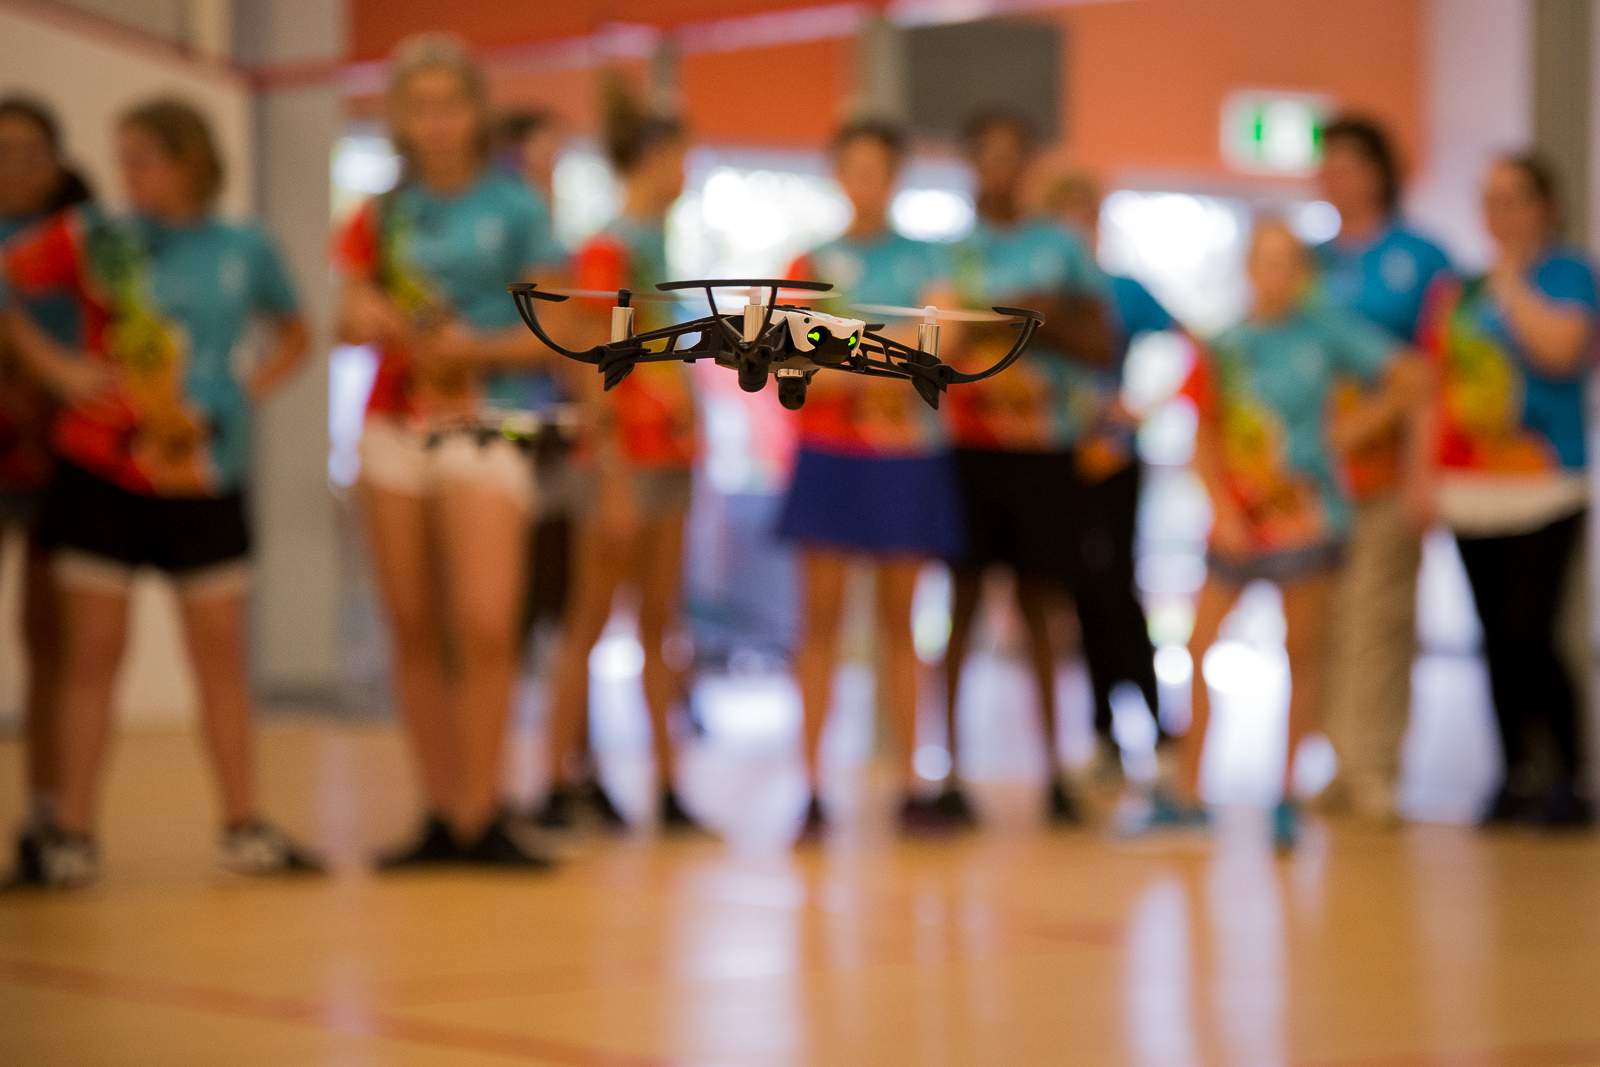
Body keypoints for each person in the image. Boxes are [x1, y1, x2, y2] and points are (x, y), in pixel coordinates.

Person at [0, 97, 319, 886]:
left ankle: (244, 824)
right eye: (124, 156)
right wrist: (60, 368)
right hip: (101, 467)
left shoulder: (244, 245)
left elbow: (295, 331)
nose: (131, 173)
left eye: (146, 156)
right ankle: (70, 832)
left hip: (204, 470)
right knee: (90, 656)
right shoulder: (97, 236)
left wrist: (247, 389)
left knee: (218, 653)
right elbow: (7, 290)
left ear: (191, 159)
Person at [333, 35, 566, 869]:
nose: (435, 122)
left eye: (449, 103)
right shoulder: (381, 213)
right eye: (418, 106)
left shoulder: (518, 208)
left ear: (476, 111)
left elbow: (562, 329)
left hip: (489, 419)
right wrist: (366, 321)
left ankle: (484, 807)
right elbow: (344, 314)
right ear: (399, 116)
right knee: (411, 622)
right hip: (393, 424)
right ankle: (439, 812)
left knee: (485, 619)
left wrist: (475, 352)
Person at [1135, 220, 1427, 851]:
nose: (1275, 274)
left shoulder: (1328, 333)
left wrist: (1347, 435)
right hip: (1238, 523)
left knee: (1303, 654)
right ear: (1247, 268)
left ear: (1302, 272)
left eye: (1287, 262)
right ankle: (1189, 794)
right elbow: (1203, 432)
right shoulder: (1225, 345)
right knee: (1199, 645)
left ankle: (1288, 796)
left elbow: (1411, 378)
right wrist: (1223, 510)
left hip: (1307, 517)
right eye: (1263, 261)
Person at [775, 120, 964, 839]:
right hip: (829, 458)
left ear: (896, 175)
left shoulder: (928, 261)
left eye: (878, 168)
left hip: (905, 460)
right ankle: (812, 785)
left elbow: (939, 351)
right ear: (837, 174)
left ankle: (914, 780)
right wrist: (884, 355)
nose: (865, 181)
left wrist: (842, 353)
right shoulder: (810, 261)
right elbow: (794, 370)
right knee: (818, 621)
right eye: (852, 167)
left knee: (900, 622)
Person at [937, 110, 1117, 826]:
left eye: (1014, 155)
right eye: (987, 156)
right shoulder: (953, 255)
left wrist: (1029, 319)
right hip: (969, 446)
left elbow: (1100, 343)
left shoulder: (1061, 248)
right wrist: (1015, 319)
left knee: (1048, 606)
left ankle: (1055, 771)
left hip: (1046, 448)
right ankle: (947, 770)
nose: (1000, 169)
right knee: (961, 604)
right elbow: (938, 341)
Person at [537, 77, 705, 834]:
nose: (686, 174)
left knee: (659, 622)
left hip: (670, 456)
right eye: (680, 157)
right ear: (657, 157)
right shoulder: (606, 249)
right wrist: (604, 464)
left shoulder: (658, 250)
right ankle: (557, 780)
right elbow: (586, 359)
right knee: (591, 618)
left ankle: (666, 785)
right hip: (623, 458)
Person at [1419, 154, 1598, 828]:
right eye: (1491, 199)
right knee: (1492, 634)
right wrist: (1424, 478)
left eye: (1517, 198)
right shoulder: (1458, 289)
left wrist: (1514, 284)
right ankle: (1514, 771)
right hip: (1470, 484)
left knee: (1533, 630)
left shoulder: (1569, 275)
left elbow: (1561, 353)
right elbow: (1438, 386)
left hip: (1547, 481)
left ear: (1548, 204)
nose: (1503, 213)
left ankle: (1569, 777)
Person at [1314, 116, 1451, 825]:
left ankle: (1374, 765)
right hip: (1318, 474)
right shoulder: (1312, 263)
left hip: (1390, 462)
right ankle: (1335, 758)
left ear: (1379, 170)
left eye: (1350, 161)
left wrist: (1426, 471)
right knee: (1326, 618)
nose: (1336, 175)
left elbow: (1435, 369)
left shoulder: (1421, 257)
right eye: (1326, 162)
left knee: (1381, 614)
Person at [1045, 170, 1186, 782]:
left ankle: (1155, 719)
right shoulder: (1041, 295)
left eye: (1086, 218)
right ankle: (1103, 726)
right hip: (1053, 458)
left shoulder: (1123, 291)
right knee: (1078, 589)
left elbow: (1187, 346)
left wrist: (1141, 404)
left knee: (1118, 584)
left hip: (1114, 456)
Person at [0, 95, 93, 881]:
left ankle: (52, 818)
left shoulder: (87, 241)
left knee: (54, 639)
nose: (14, 166)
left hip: (63, 453)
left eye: (30, 149)